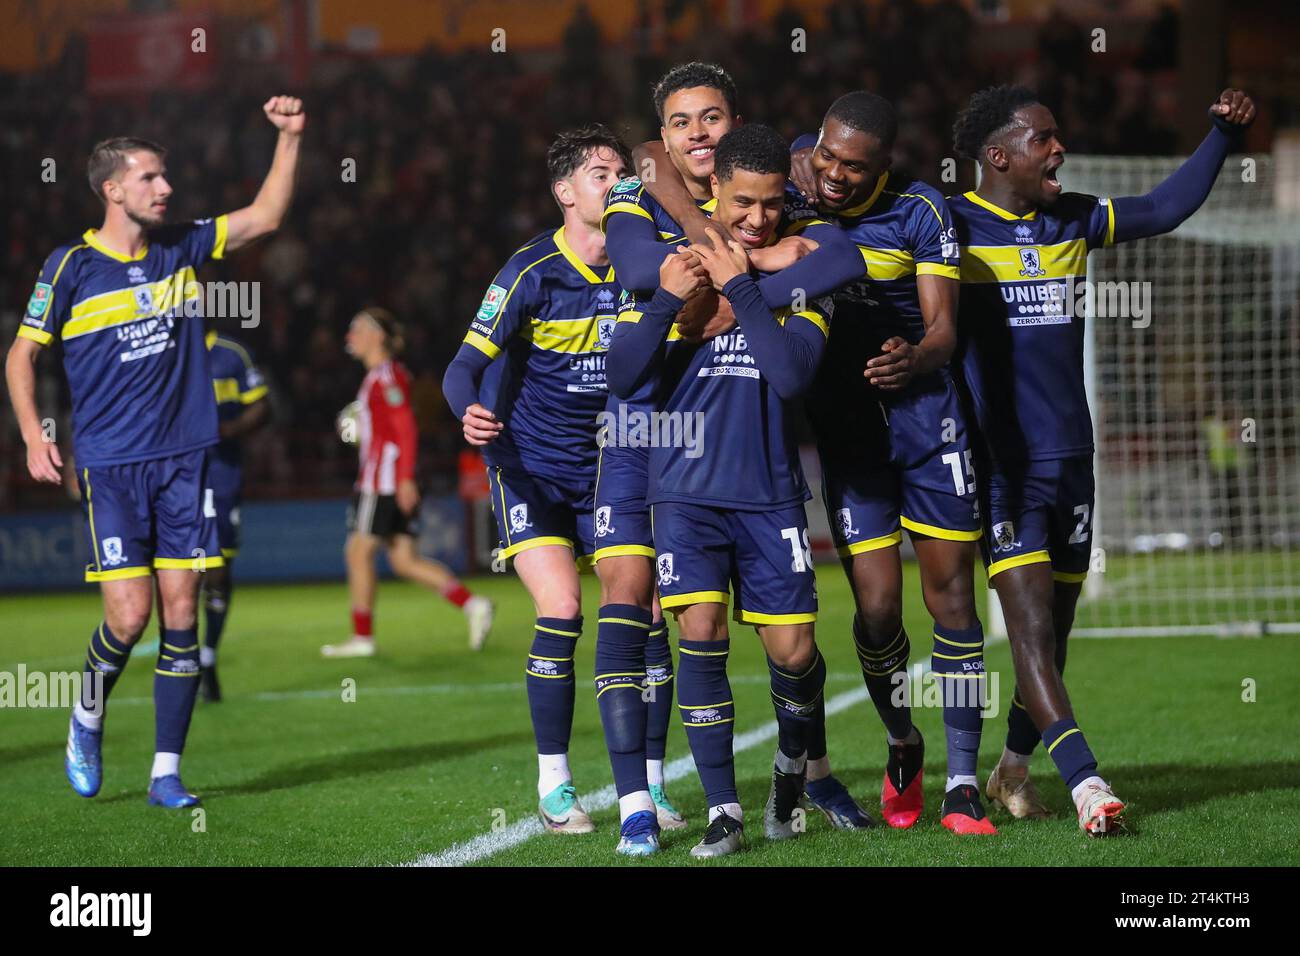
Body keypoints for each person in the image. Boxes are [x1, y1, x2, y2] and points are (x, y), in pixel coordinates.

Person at [948, 84, 1255, 835]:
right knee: (1025, 628)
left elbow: (1163, 207)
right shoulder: (948, 225)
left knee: (1056, 628)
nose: (1059, 149)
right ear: (996, 156)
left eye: (1058, 137)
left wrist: (1219, 136)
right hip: (1005, 465)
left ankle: (1013, 770)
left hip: (1074, 459)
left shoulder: (1074, 217)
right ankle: (1088, 784)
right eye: (1042, 139)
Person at [6, 96, 305, 808]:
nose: (164, 188)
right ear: (112, 188)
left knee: (181, 609)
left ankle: (166, 773)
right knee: (128, 616)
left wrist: (290, 139)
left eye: (164, 176)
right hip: (109, 466)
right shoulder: (71, 266)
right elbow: (20, 357)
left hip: (185, 459)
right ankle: (87, 712)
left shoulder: (183, 246)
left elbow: (265, 216)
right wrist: (32, 433)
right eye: (149, 178)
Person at [611, 64, 873, 835]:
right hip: (671, 469)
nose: (699, 132)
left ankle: (800, 774)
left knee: (795, 650)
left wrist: (743, 277)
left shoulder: (794, 221)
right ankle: (706, 802)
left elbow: (837, 273)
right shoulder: (653, 221)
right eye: (682, 121)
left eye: (712, 116)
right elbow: (630, 335)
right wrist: (684, 289)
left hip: (767, 485)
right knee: (684, 627)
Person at [442, 125, 685, 852]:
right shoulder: (528, 272)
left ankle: (650, 779)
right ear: (566, 192)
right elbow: (460, 368)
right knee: (563, 607)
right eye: (602, 173)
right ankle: (554, 781)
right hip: (532, 470)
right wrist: (470, 414)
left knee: (644, 613)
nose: (619, 183)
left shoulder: (646, 264)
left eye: (623, 172)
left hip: (616, 467)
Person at [784, 92, 994, 834]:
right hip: (848, 437)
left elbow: (943, 330)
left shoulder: (921, 211)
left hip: (927, 426)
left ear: (884, 166)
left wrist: (916, 357)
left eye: (854, 166)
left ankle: (963, 782)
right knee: (875, 611)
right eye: (827, 158)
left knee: (952, 601)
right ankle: (903, 739)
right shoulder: (790, 186)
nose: (835, 175)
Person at [323, 308, 494, 658]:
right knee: (403, 560)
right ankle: (473, 604)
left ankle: (362, 638)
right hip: (388, 479)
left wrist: (403, 480)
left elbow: (406, 428)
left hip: (381, 482)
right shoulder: (381, 377)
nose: (349, 337)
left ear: (377, 336)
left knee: (357, 553)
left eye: (356, 329)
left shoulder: (385, 377)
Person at [199, 331, 269, 701]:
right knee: (175, 573)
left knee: (218, 571)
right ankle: (181, 656)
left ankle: (207, 658)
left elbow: (262, 405)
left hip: (221, 477)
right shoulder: (161, 345)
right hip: (171, 477)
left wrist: (229, 429)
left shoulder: (233, 355)